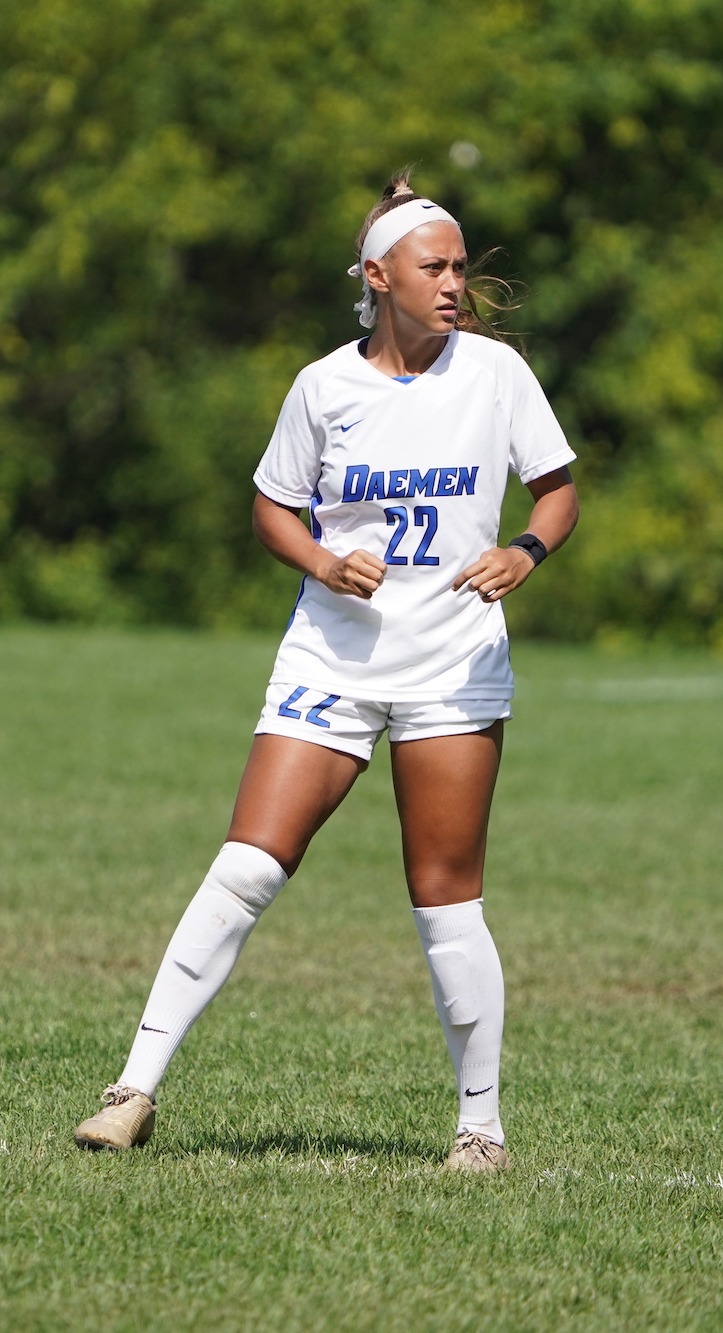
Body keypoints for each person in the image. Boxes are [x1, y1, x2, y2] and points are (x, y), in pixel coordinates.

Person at [73, 172, 579, 1172]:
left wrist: (523, 550)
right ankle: (132, 1088)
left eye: (458, 267)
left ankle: (480, 1129)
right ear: (376, 275)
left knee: (444, 897)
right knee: (247, 864)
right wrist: (319, 557)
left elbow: (556, 491)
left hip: (451, 660)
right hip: (330, 656)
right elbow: (271, 506)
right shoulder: (323, 386)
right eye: (432, 267)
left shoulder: (493, 374)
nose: (452, 283)